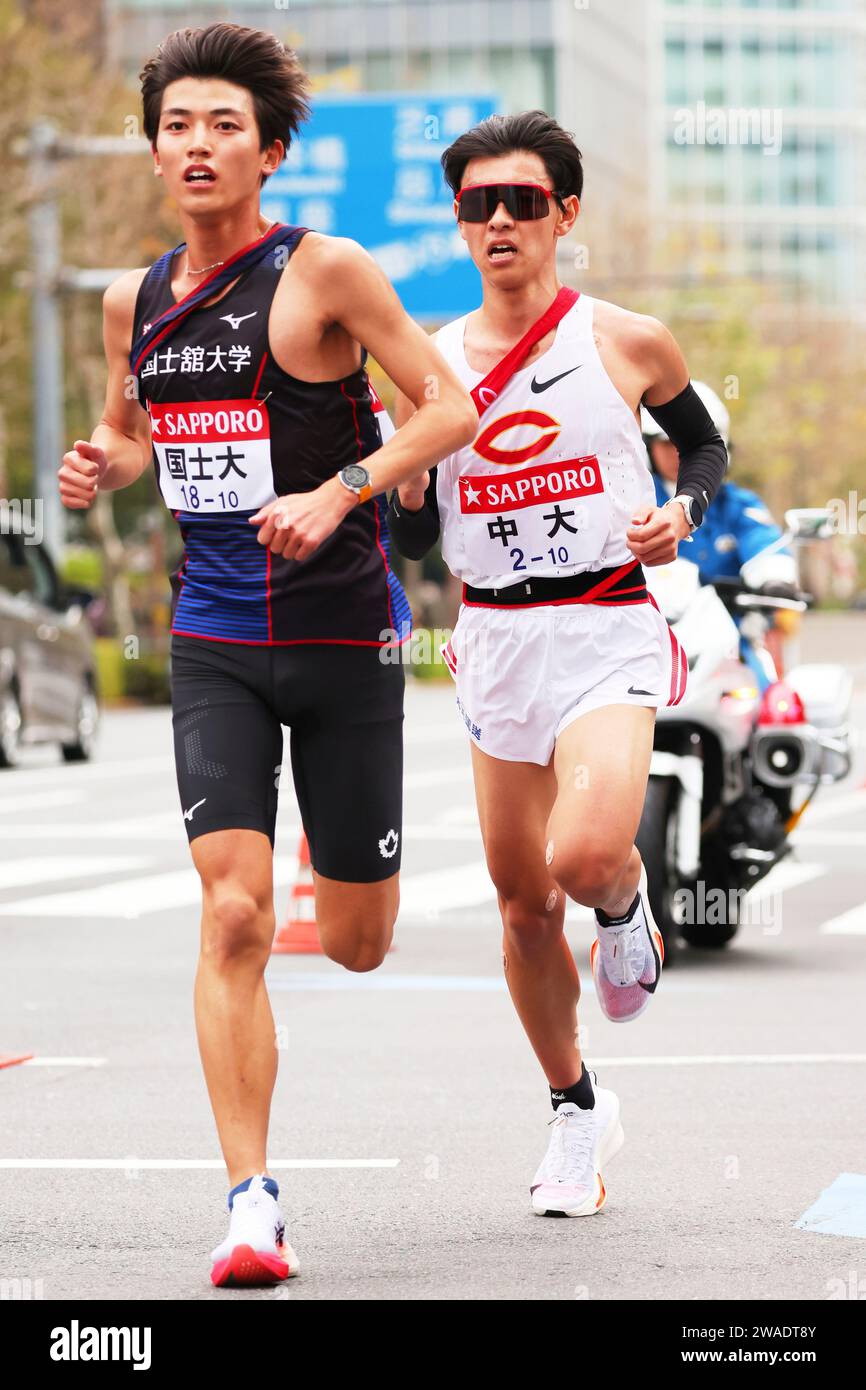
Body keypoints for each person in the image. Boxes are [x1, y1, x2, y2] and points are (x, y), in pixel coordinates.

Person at [57, 22, 476, 1287]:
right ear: (151, 150)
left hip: (345, 639)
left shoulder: (328, 272)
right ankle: (251, 1201)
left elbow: (446, 405)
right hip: (216, 640)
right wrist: (102, 462)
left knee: (355, 940)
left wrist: (344, 488)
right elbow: (134, 433)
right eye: (176, 125)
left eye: (221, 125)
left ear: (269, 151)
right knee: (232, 910)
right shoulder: (137, 297)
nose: (196, 144)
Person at [387, 111, 727, 1218]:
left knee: (581, 856)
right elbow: (412, 542)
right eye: (477, 204)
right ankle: (576, 1109)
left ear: (561, 215)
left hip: (603, 626)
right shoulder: (425, 368)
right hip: (493, 640)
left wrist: (677, 507)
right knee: (522, 903)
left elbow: (706, 446)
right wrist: (394, 494)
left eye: (521, 203)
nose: (498, 222)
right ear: (456, 220)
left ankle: (624, 903)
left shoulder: (626, 340)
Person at [643, 382, 799, 683]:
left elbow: (764, 542)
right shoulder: (632, 500)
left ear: (718, 448)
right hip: (644, 641)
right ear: (649, 447)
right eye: (667, 443)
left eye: (691, 445)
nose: (680, 454)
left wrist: (775, 577)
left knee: (769, 703)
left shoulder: (738, 506)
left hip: (728, 643)